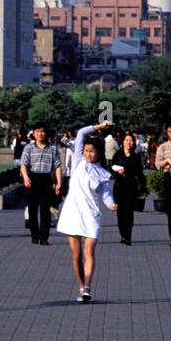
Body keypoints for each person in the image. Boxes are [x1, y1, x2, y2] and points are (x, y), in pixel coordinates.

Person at [56, 128, 118, 303]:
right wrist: (99, 127)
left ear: (98, 153)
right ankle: (81, 286)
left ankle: (88, 288)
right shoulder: (77, 161)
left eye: (92, 152)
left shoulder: (102, 173)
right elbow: (82, 133)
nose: (88, 154)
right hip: (73, 212)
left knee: (89, 251)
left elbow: (105, 193)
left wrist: (111, 204)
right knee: (76, 256)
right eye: (86, 151)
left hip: (91, 214)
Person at [20, 123, 64, 245]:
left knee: (45, 211)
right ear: (33, 133)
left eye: (42, 131)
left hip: (46, 180)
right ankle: (35, 235)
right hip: (33, 179)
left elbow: (57, 166)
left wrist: (58, 182)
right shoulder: (29, 147)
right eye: (37, 131)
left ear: (46, 133)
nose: (40, 134)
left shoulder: (53, 148)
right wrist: (25, 178)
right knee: (32, 211)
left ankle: (44, 237)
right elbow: (23, 164)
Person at [110, 132, 145, 245]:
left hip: (131, 187)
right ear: (123, 142)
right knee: (120, 213)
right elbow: (111, 169)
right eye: (126, 140)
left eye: (131, 140)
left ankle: (128, 236)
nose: (128, 143)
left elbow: (140, 173)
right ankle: (123, 234)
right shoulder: (118, 155)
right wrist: (118, 173)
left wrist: (143, 186)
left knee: (129, 213)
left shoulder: (136, 157)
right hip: (119, 187)